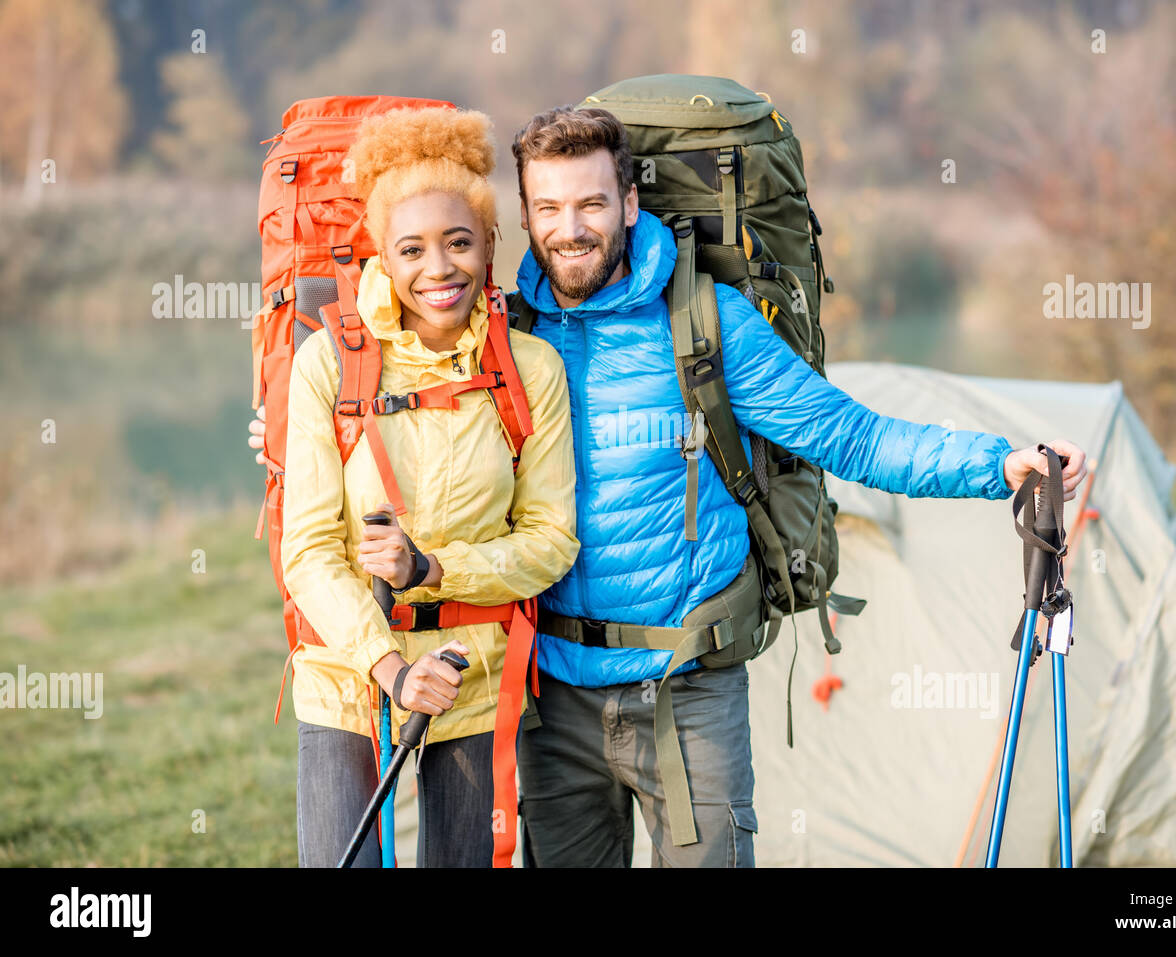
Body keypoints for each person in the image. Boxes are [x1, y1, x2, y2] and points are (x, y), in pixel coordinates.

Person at [255, 104, 1086, 869]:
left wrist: (995, 463)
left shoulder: (708, 325)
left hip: (688, 686)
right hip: (552, 695)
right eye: (547, 209)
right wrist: (287, 433)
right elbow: (399, 412)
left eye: (589, 204)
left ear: (627, 200)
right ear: (525, 217)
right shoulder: (505, 332)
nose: (570, 229)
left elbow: (851, 434)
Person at [277, 104, 578, 868]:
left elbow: (551, 540)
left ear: (488, 243)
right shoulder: (329, 362)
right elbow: (308, 551)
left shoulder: (531, 370)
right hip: (347, 673)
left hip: (470, 670)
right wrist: (389, 667)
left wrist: (432, 571)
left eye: (458, 242)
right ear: (383, 250)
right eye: (410, 248)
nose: (437, 269)